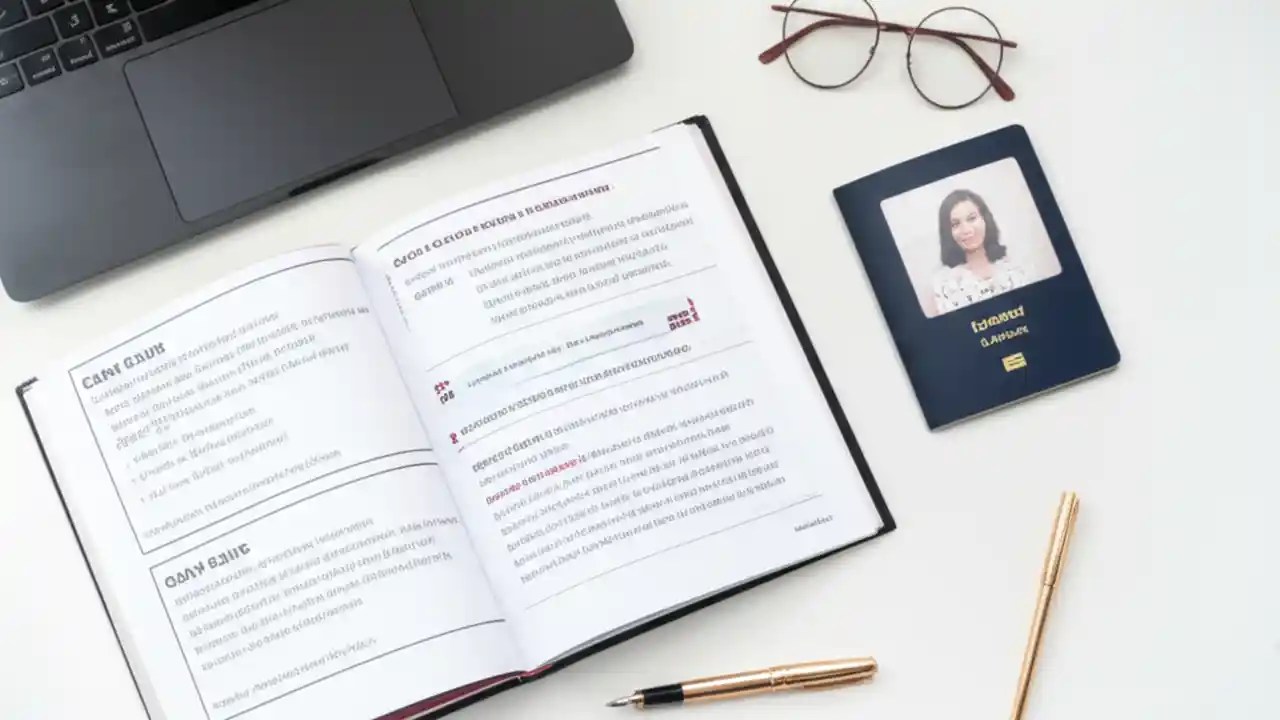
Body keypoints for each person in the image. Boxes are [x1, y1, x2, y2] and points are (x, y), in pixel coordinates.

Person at [931, 189, 1030, 314]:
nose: (966, 230)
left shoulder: (1015, 265)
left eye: (972, 218)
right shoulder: (944, 284)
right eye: (955, 224)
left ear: (985, 219)